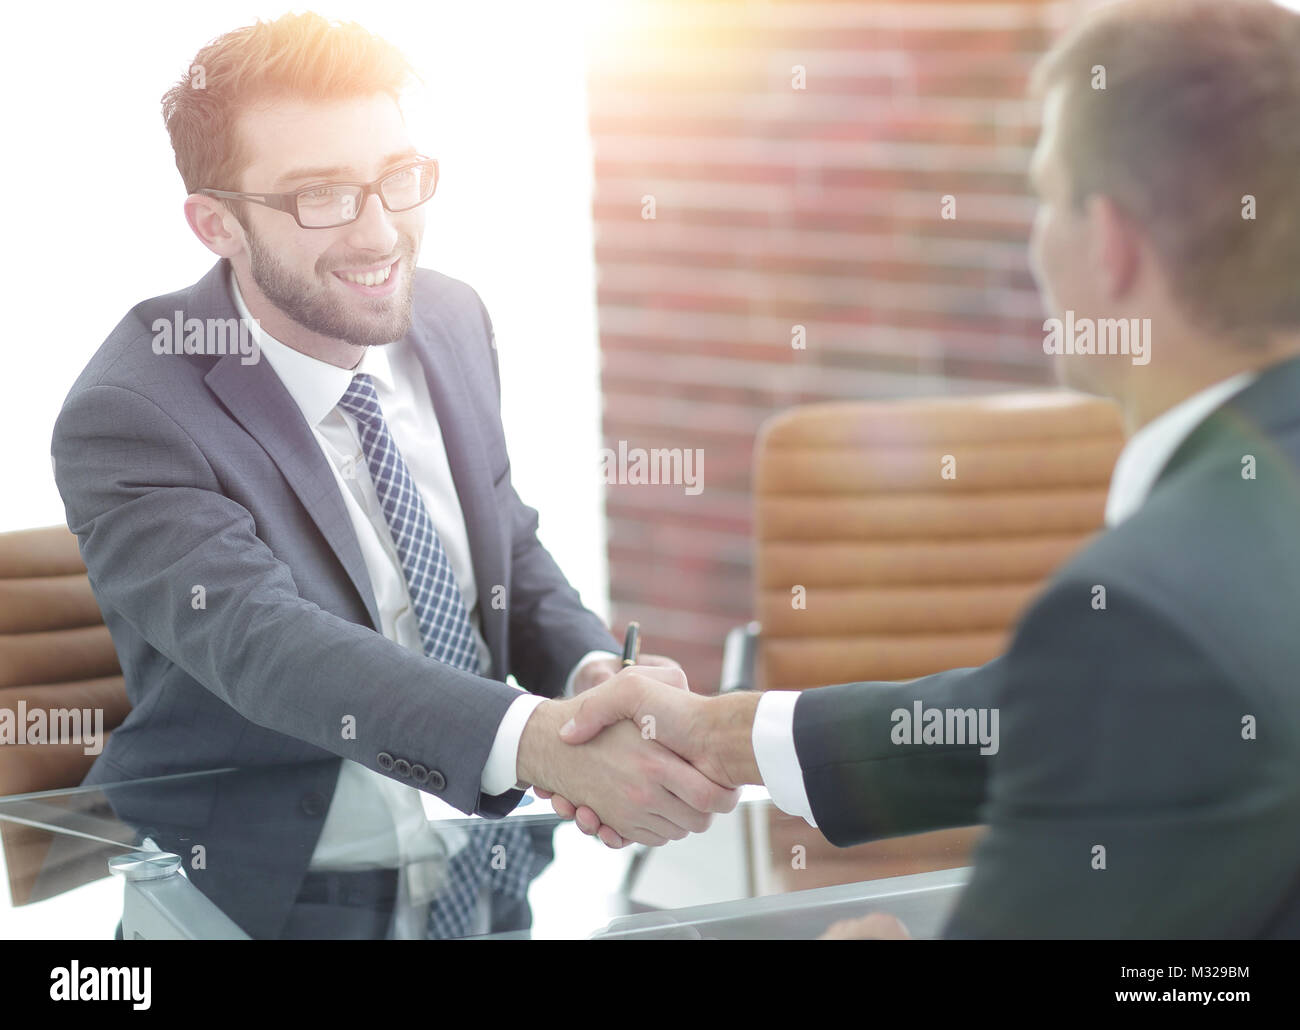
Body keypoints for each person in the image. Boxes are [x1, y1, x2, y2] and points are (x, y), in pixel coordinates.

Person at [550, 0, 1300, 938]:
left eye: (1044, 194)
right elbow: (1046, 720)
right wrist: (723, 733)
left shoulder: (1149, 610)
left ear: (1108, 244)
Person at [50, 12, 736, 939]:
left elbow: (507, 547)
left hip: (491, 875)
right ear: (217, 223)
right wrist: (540, 744)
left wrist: (592, 675)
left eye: (399, 179)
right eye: (321, 196)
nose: (381, 234)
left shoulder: (450, 317)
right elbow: (265, 643)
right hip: (271, 901)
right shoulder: (135, 412)